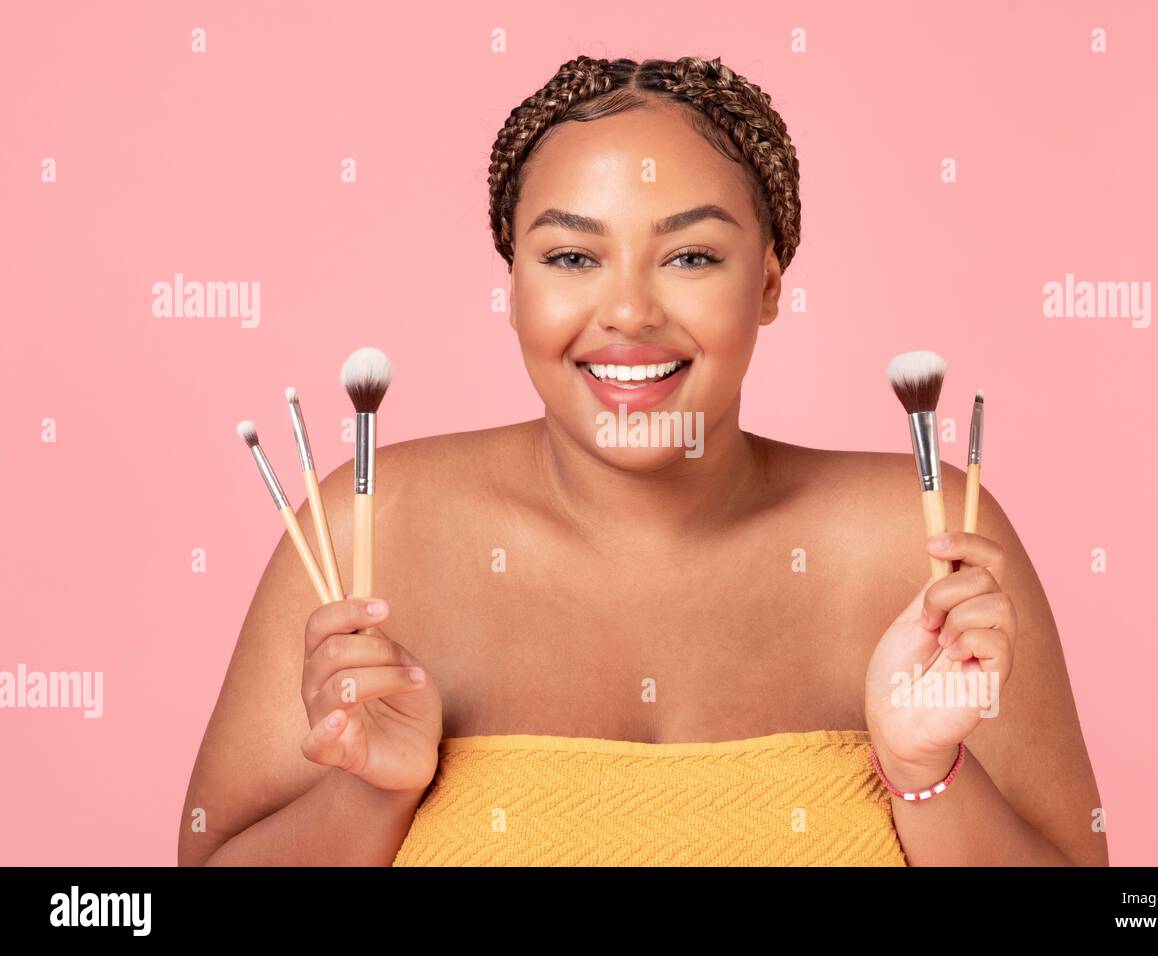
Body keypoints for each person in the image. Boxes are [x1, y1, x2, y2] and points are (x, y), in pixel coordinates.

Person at [178, 55, 1107, 867]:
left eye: (692, 255)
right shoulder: (361, 534)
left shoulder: (928, 540)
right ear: (512, 287)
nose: (628, 312)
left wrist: (926, 774)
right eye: (573, 256)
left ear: (772, 282)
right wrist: (372, 795)